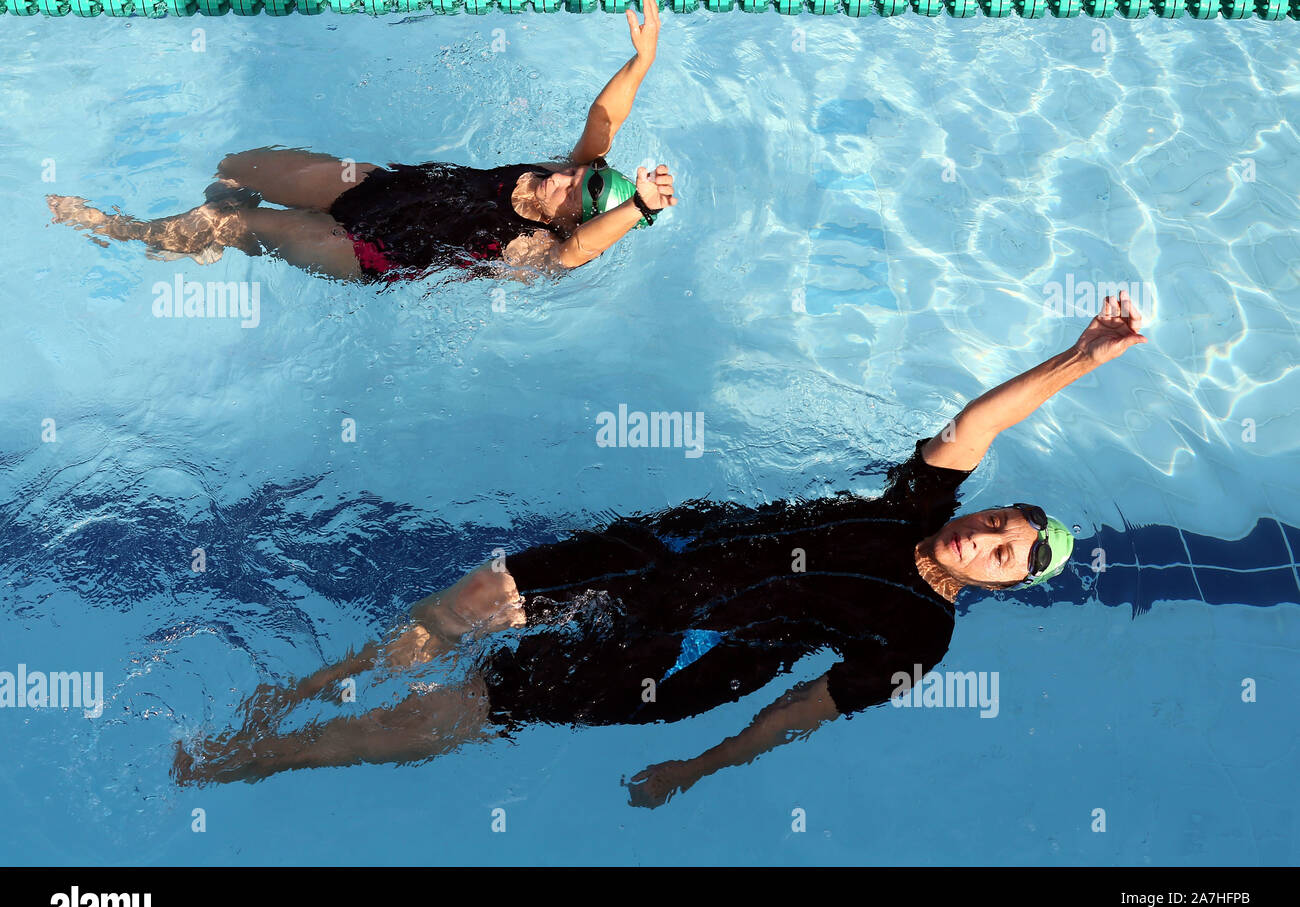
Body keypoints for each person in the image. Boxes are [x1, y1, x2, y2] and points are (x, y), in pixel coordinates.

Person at [171, 292, 1147, 805]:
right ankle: (311, 685)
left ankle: (261, 759)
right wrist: (1077, 358)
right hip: (652, 554)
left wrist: (699, 766)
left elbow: (801, 706)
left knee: (461, 707)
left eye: (1006, 553)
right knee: (456, 606)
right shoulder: (910, 504)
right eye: (998, 521)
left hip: (670, 658)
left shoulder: (919, 637)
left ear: (1004, 583)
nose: (985, 536)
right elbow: (976, 423)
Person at [46, 4, 674, 283]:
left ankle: (124, 230)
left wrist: (638, 209)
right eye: (581, 174)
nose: (566, 180)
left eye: (579, 192)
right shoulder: (561, 173)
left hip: (363, 248)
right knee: (236, 166)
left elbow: (585, 248)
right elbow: (602, 118)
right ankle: (227, 230)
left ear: (580, 221)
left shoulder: (543, 248)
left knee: (221, 222)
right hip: (373, 184)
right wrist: (640, 62)